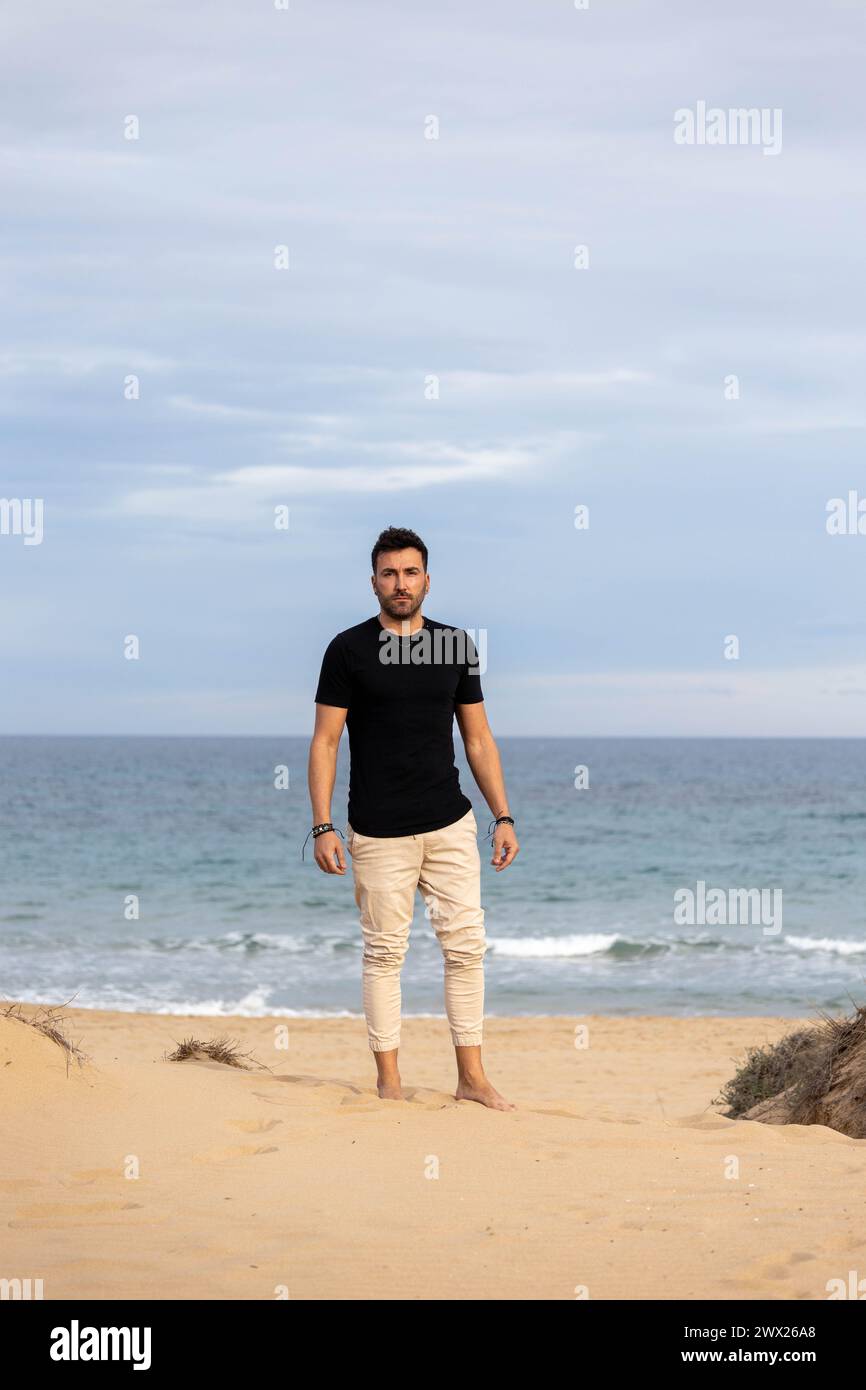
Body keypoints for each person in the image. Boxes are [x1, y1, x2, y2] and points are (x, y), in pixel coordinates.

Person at [308, 525, 519, 1109]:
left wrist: (503, 816)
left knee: (466, 949)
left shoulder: (453, 645)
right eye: (389, 573)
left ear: (427, 578)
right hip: (377, 830)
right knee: (383, 954)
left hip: (450, 823)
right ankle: (389, 1082)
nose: (400, 584)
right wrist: (323, 825)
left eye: (410, 572)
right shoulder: (347, 649)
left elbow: (477, 738)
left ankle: (472, 1078)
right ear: (373, 581)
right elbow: (326, 741)